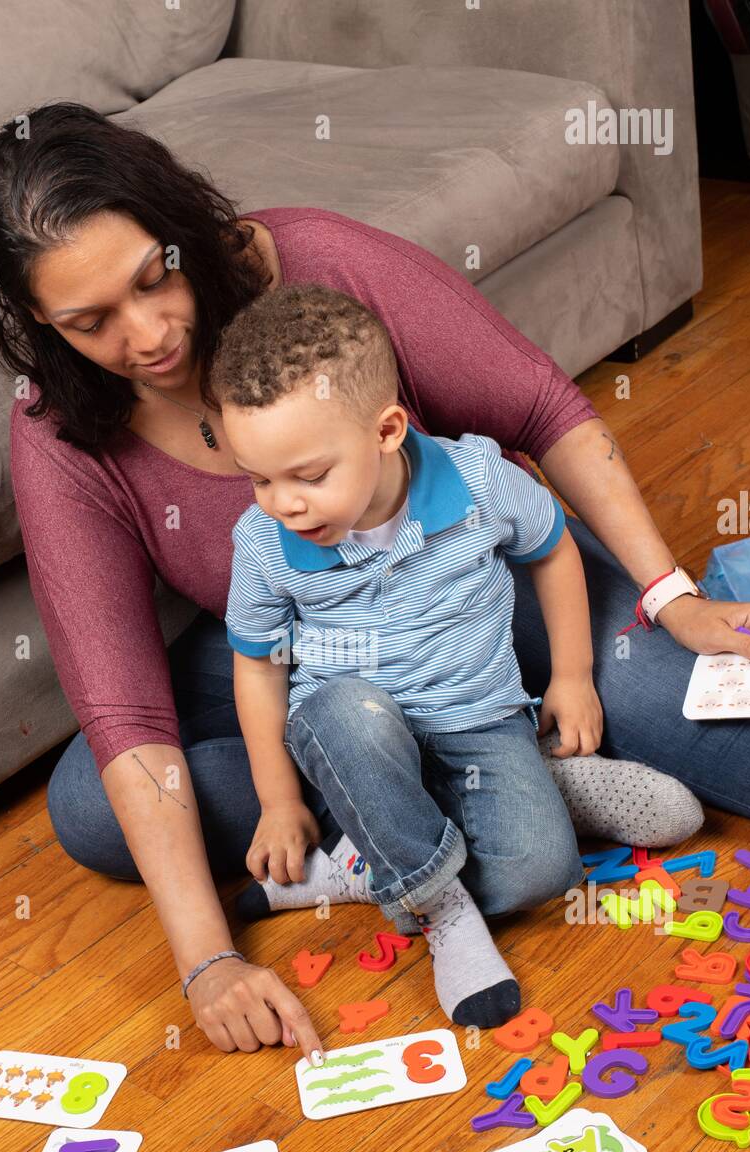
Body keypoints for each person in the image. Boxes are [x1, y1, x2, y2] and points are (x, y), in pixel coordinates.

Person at [0, 102, 750, 1058]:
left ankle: (471, 791)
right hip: (311, 648)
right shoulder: (60, 432)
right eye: (91, 322)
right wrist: (209, 959)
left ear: (177, 228)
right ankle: (511, 786)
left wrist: (672, 596)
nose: (151, 333)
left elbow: (543, 410)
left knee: (712, 717)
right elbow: (124, 712)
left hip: (479, 589)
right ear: (38, 324)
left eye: (152, 278)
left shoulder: (322, 263)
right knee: (93, 803)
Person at [213, 283, 705, 1029]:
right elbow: (257, 663)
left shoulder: (476, 480)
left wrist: (571, 677)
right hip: (357, 741)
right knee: (349, 711)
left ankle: (366, 865)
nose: (283, 503)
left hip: (480, 722)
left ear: (386, 431)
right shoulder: (263, 543)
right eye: (259, 479)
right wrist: (280, 801)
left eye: (308, 476)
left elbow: (552, 550)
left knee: (542, 872)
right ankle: (442, 911)